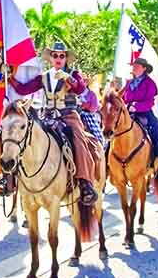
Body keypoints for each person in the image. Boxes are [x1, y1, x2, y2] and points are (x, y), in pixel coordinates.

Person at [8, 41, 99, 205]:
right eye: (55, 55)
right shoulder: (43, 76)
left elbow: (80, 89)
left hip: (68, 115)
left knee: (79, 141)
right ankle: (13, 179)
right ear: (50, 58)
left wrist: (69, 78)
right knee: (26, 137)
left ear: (66, 59)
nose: (58, 58)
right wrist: (10, 78)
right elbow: (23, 89)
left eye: (62, 56)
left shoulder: (73, 73)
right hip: (48, 116)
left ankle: (85, 183)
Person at [122, 58, 158, 181]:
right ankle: (106, 160)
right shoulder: (128, 83)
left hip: (145, 113)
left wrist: (136, 106)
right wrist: (125, 106)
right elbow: (123, 98)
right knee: (115, 131)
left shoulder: (150, 83)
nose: (134, 67)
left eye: (137, 66)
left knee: (157, 131)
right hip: (128, 113)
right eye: (133, 65)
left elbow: (150, 102)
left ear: (144, 68)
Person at [79, 78, 105, 146]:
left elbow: (93, 108)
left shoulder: (91, 94)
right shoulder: (75, 93)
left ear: (87, 83)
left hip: (88, 114)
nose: (82, 83)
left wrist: (83, 105)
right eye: (80, 82)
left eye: (84, 81)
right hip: (76, 113)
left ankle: (100, 144)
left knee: (96, 132)